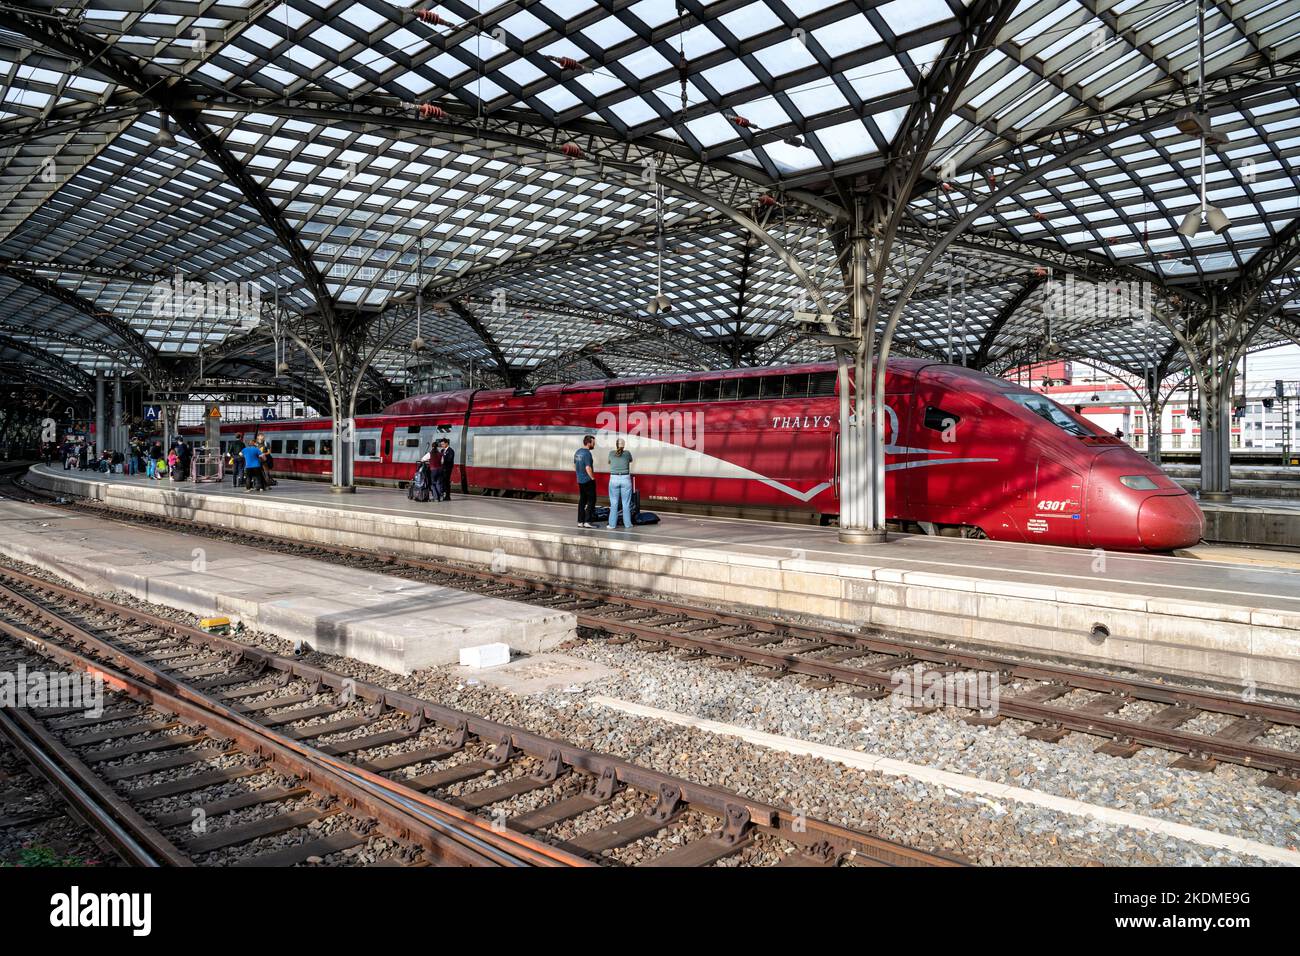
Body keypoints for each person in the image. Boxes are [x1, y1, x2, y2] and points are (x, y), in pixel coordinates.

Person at [606, 438, 634, 530]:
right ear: (624, 445)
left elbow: (609, 462)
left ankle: (612, 525)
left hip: (614, 479)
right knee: (626, 503)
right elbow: (630, 461)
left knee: (614, 503)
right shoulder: (627, 453)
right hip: (626, 479)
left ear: (616, 445)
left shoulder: (611, 453)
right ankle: (628, 524)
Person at [574, 435, 596, 528]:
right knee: (592, 500)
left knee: (582, 500)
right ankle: (587, 521)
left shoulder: (577, 452)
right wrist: (592, 478)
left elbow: (574, 465)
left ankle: (580, 521)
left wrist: (578, 475)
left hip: (580, 480)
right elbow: (588, 467)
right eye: (593, 443)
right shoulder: (587, 453)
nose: (594, 444)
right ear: (588, 443)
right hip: (588, 480)